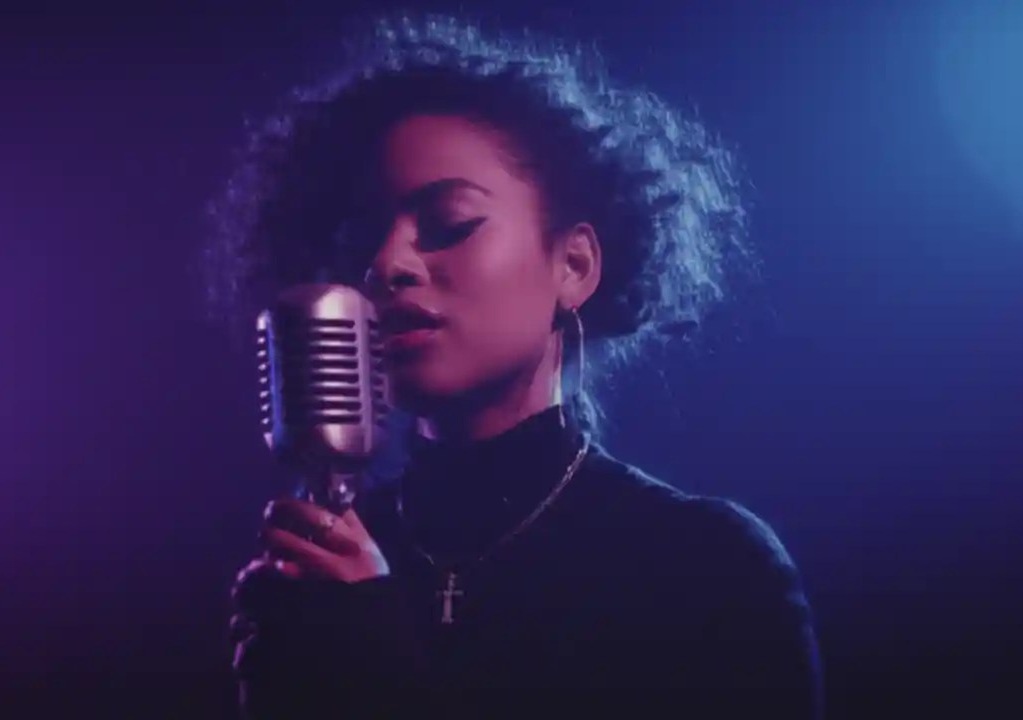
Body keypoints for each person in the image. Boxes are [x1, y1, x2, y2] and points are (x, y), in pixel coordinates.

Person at [205, 13, 823, 719]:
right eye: (365, 237)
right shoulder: (317, 572)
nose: (387, 264)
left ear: (575, 265)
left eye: (448, 225)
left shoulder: (707, 568)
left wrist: (382, 678)